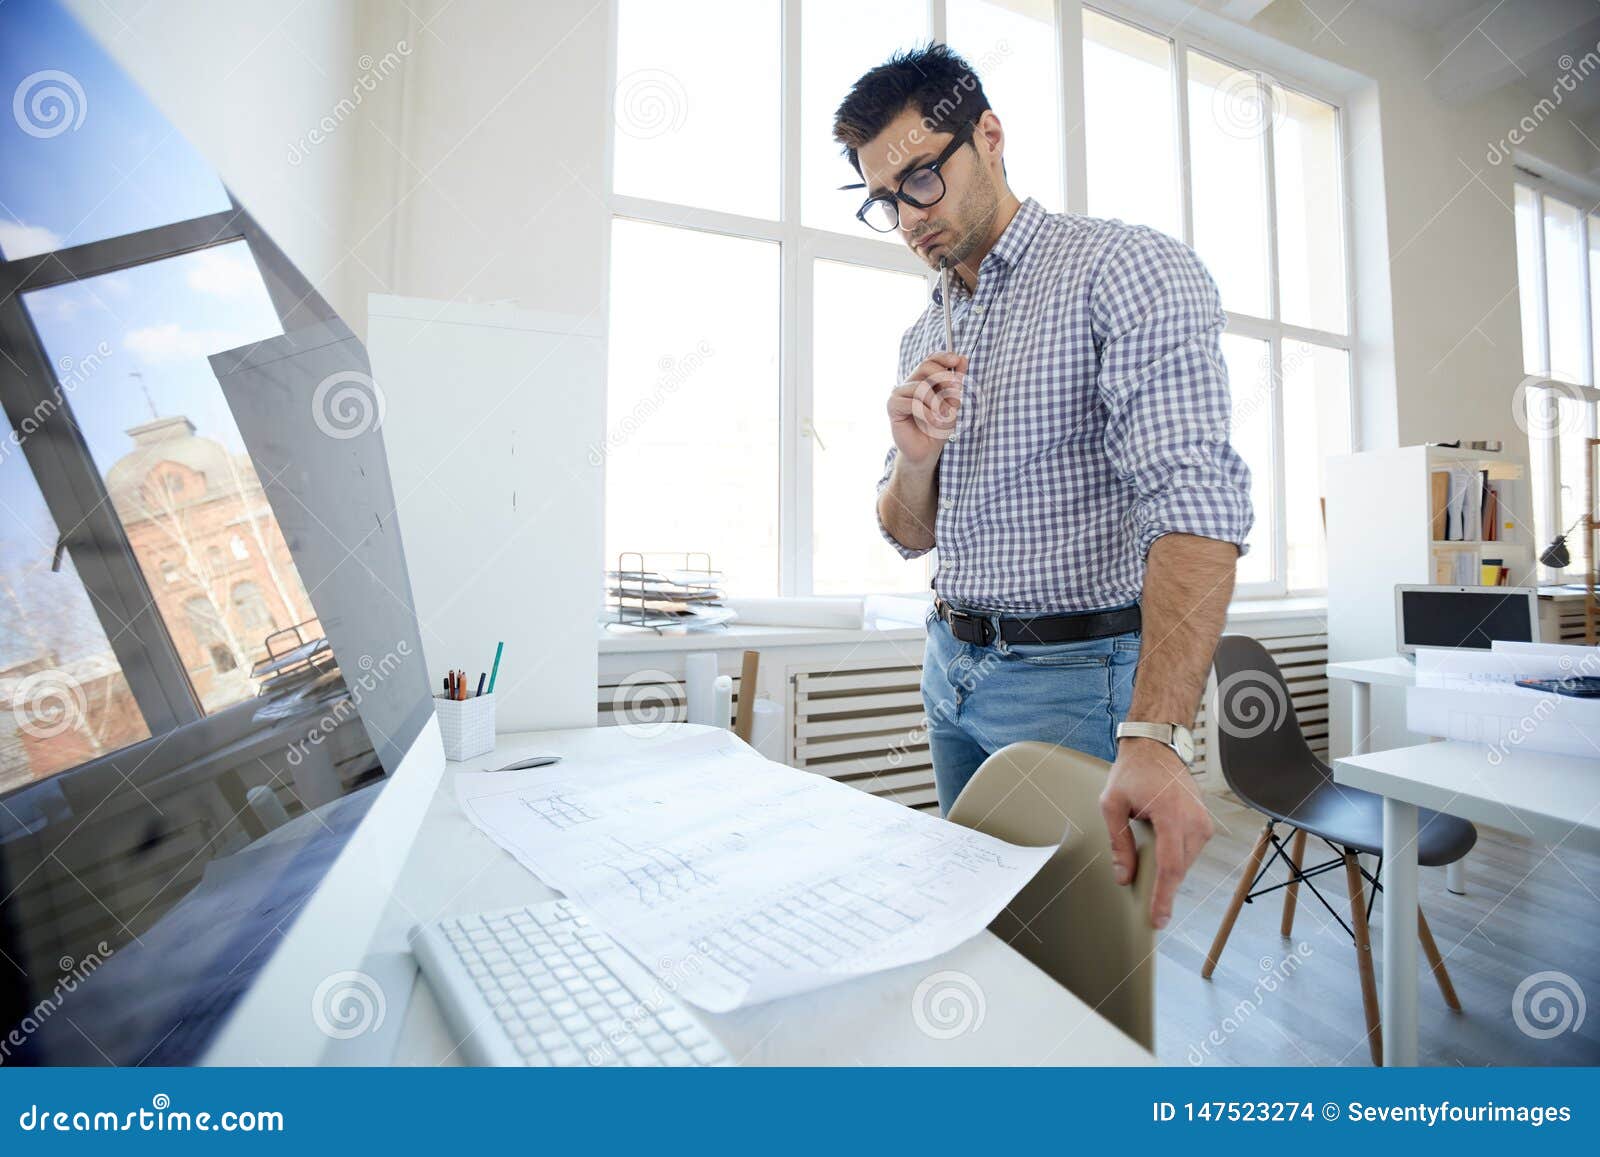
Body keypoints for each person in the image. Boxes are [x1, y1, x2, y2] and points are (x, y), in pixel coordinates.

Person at [833, 44, 1253, 930]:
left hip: (1075, 679)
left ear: (988, 136)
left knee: (1077, 970)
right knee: (984, 940)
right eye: (883, 199)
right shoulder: (925, 331)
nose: (907, 219)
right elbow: (909, 535)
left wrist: (1155, 735)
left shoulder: (1121, 268)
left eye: (920, 180)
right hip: (950, 667)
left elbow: (1195, 506)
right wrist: (914, 457)